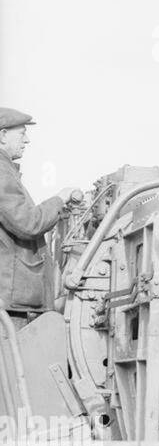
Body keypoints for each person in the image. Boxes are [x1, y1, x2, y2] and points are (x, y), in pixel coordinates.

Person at [0, 109, 82, 315]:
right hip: (10, 298)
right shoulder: (2, 172)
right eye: (21, 133)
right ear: (2, 135)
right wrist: (60, 198)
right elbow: (28, 223)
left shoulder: (7, 171)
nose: (26, 140)